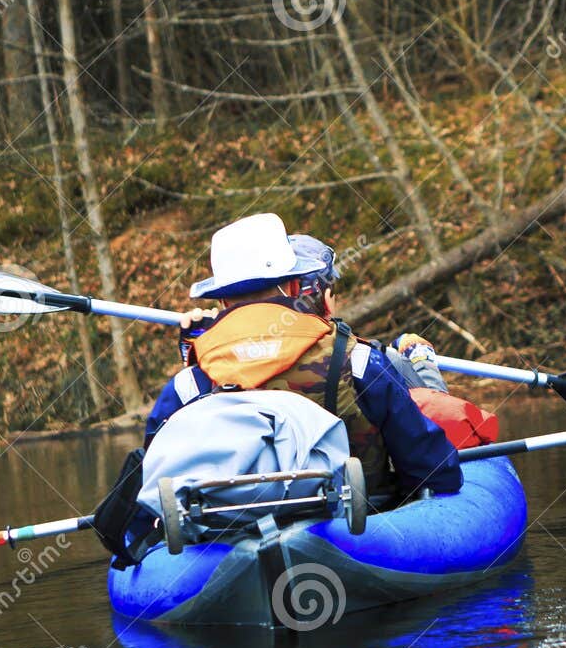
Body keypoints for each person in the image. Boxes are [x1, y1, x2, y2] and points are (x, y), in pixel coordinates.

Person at [144, 213, 462, 497]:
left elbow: (156, 482)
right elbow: (434, 471)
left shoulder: (190, 384)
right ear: (295, 287)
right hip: (358, 527)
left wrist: (196, 355)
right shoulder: (361, 362)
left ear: (222, 302)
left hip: (233, 535)